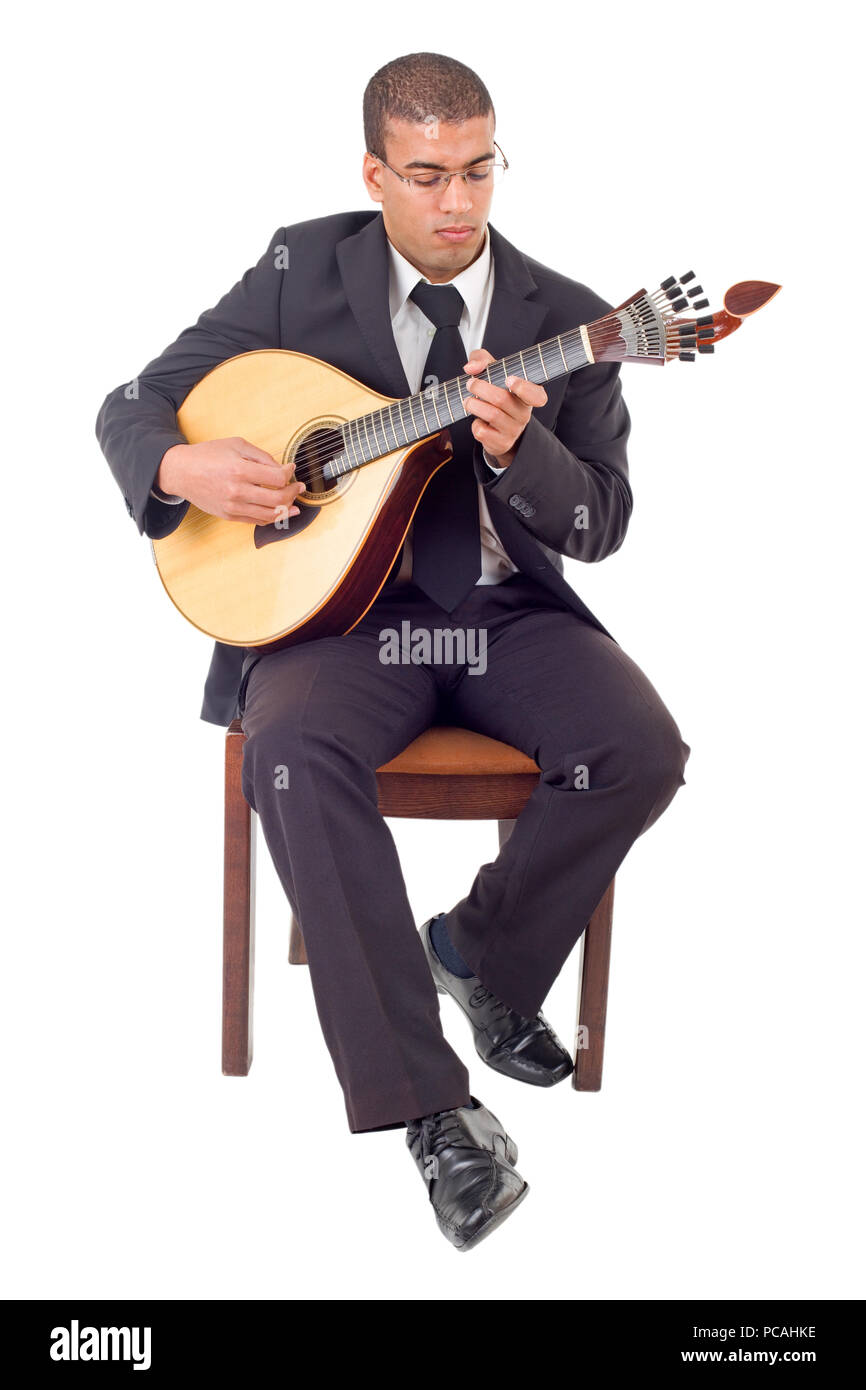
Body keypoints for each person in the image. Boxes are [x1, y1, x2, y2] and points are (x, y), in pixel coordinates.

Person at [96, 51, 690, 1252]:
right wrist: (180, 465)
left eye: (477, 170)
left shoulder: (568, 321)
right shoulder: (296, 271)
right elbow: (133, 404)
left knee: (639, 748)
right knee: (291, 753)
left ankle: (480, 950)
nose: (456, 202)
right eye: (425, 175)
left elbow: (601, 524)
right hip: (337, 620)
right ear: (373, 174)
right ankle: (430, 1111)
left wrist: (522, 454)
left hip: (503, 614)